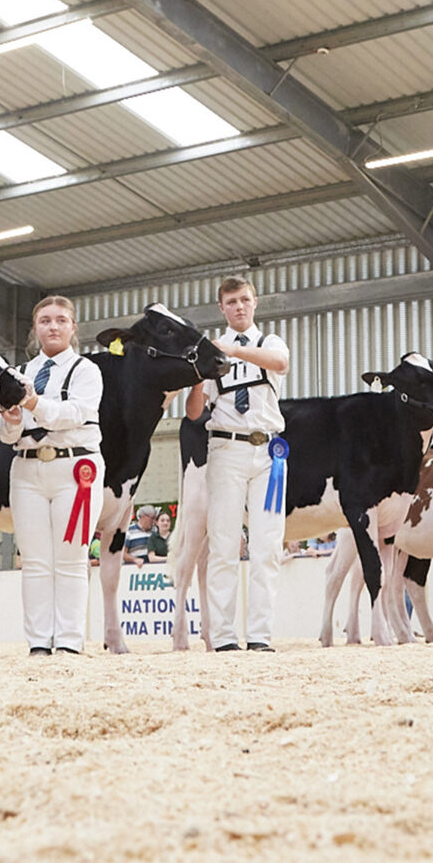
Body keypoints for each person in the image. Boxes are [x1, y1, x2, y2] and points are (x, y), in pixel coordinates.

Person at [182, 277, 291, 652]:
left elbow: (281, 363)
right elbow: (194, 412)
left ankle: (260, 635)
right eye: (231, 302)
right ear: (222, 308)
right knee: (224, 543)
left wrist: (229, 351)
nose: (239, 307)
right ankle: (224, 636)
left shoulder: (268, 343)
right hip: (226, 450)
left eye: (245, 300)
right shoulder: (211, 352)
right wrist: (198, 376)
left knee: (267, 545)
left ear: (255, 303)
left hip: (269, 454)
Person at [2, 296, 100, 655]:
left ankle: (70, 642)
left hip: (76, 468)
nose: (53, 327)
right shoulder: (19, 374)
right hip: (27, 466)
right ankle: (39, 642)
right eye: (45, 320)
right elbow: (7, 433)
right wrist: (11, 422)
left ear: (73, 327)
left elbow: (76, 413)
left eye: (61, 320)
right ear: (35, 328)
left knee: (71, 557)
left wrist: (32, 405)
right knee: (34, 559)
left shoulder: (87, 371)